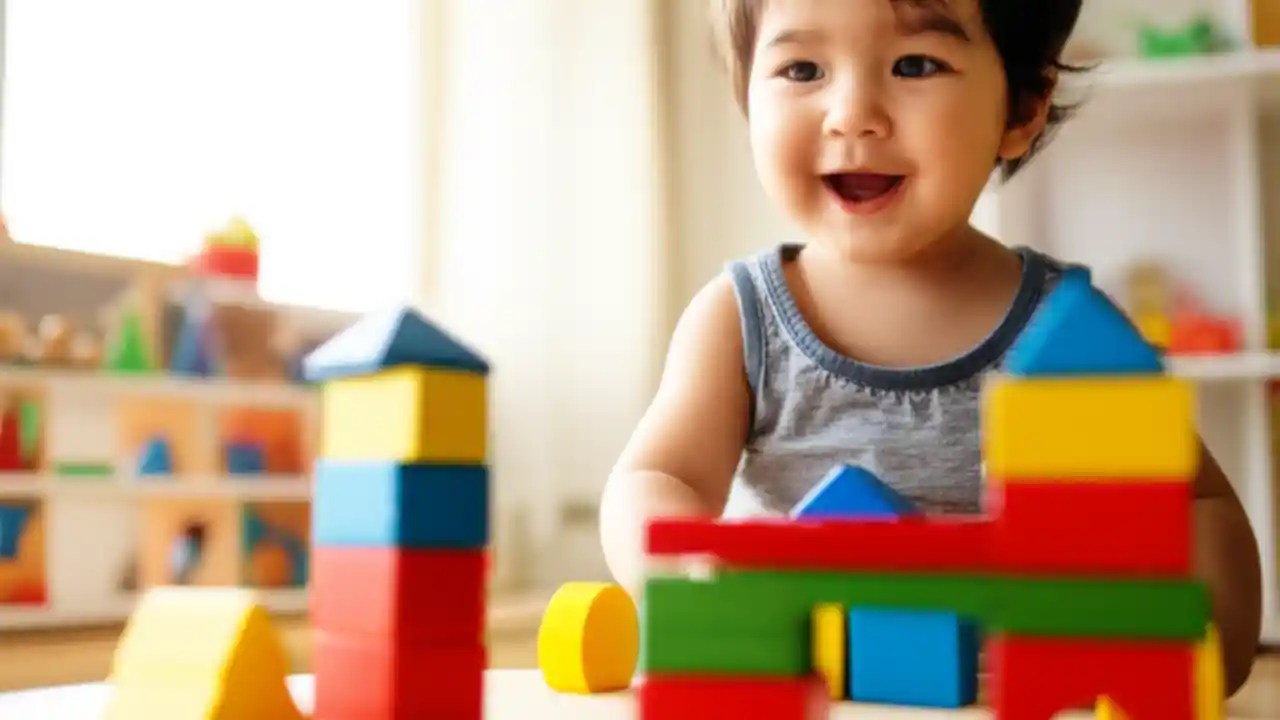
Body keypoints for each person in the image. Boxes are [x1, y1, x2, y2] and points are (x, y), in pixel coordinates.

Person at [599, 0, 1263, 696]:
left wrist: (1205, 629)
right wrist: (694, 573)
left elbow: (1195, 505)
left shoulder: (1066, 332)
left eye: (915, 64)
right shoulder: (740, 317)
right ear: (746, 99)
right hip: (811, 692)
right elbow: (653, 480)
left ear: (1022, 109)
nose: (852, 113)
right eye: (802, 69)